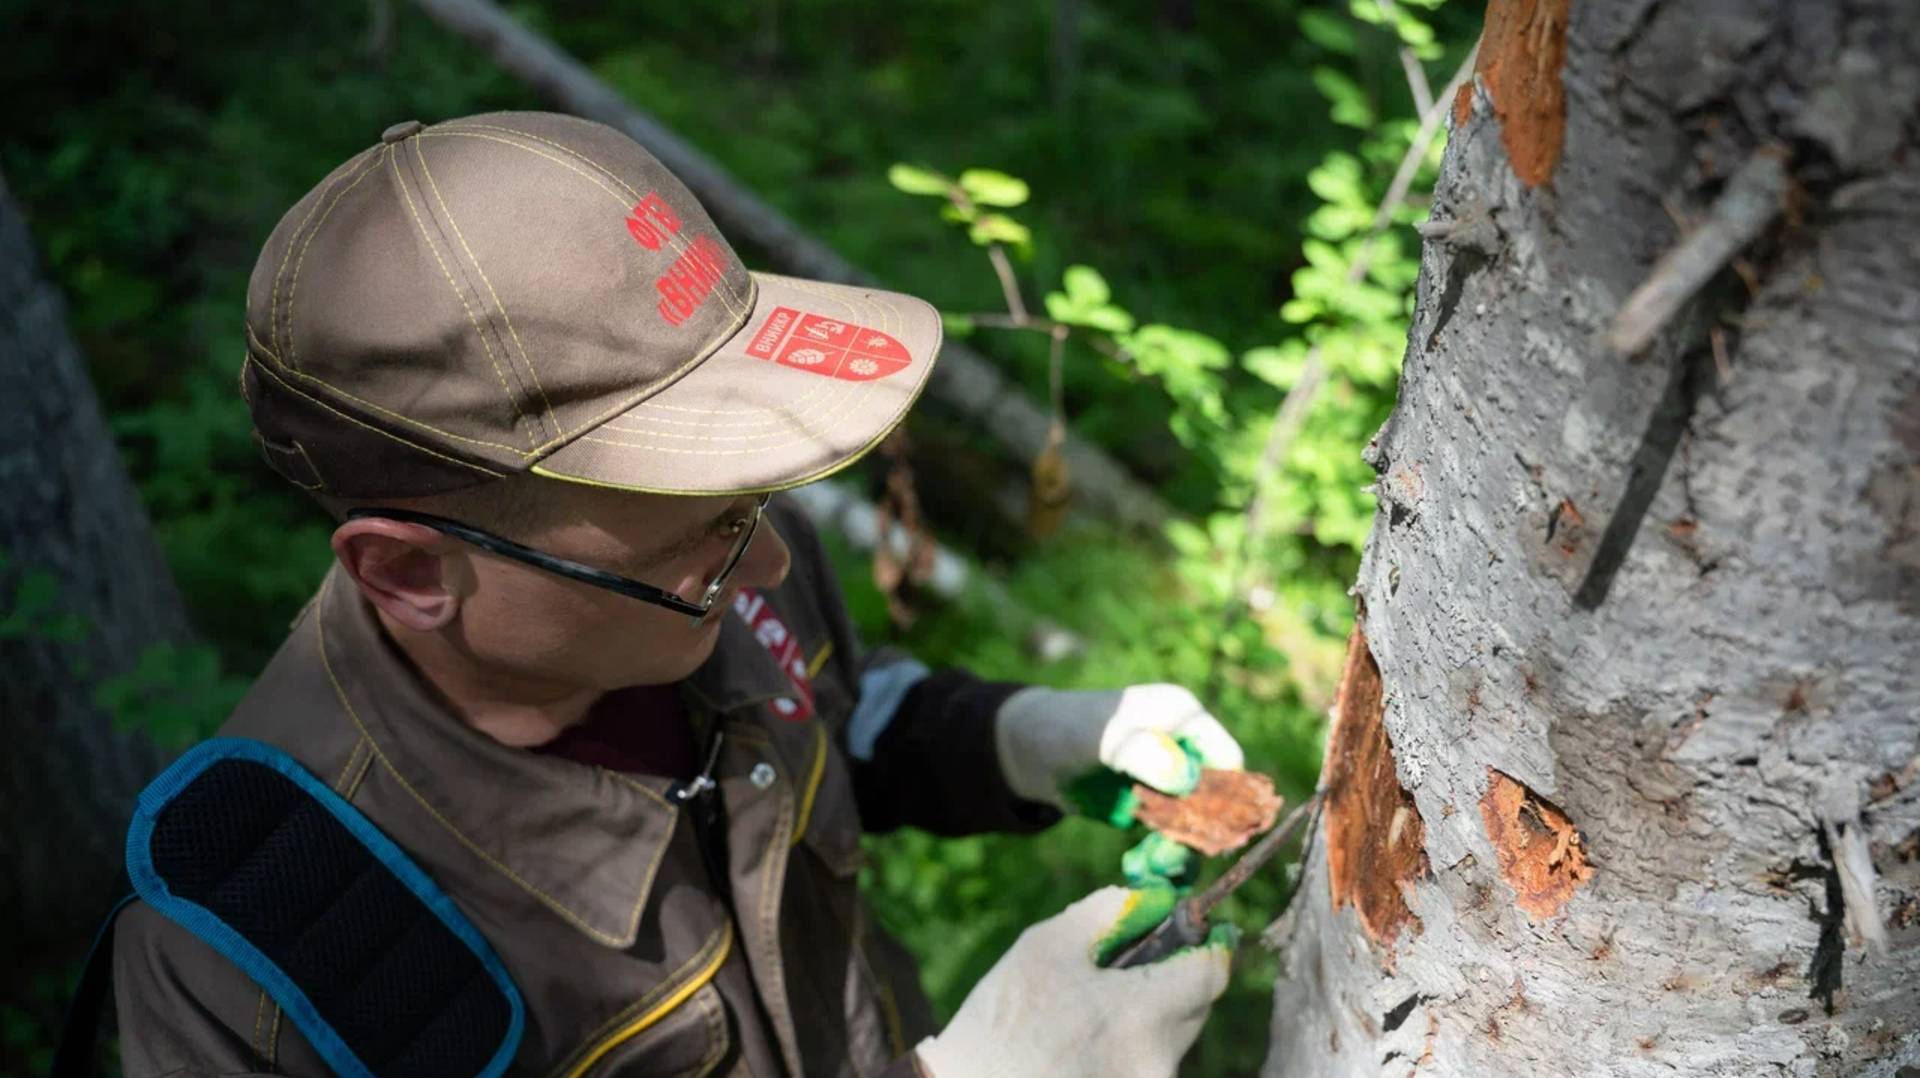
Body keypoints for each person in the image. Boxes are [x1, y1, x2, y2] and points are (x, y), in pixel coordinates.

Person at [111, 111, 1244, 1078]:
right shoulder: (264, 960)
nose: (769, 564)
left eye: (750, 498)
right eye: (710, 526)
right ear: (414, 574)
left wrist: (1009, 739)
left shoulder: (701, 544)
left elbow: (831, 711)